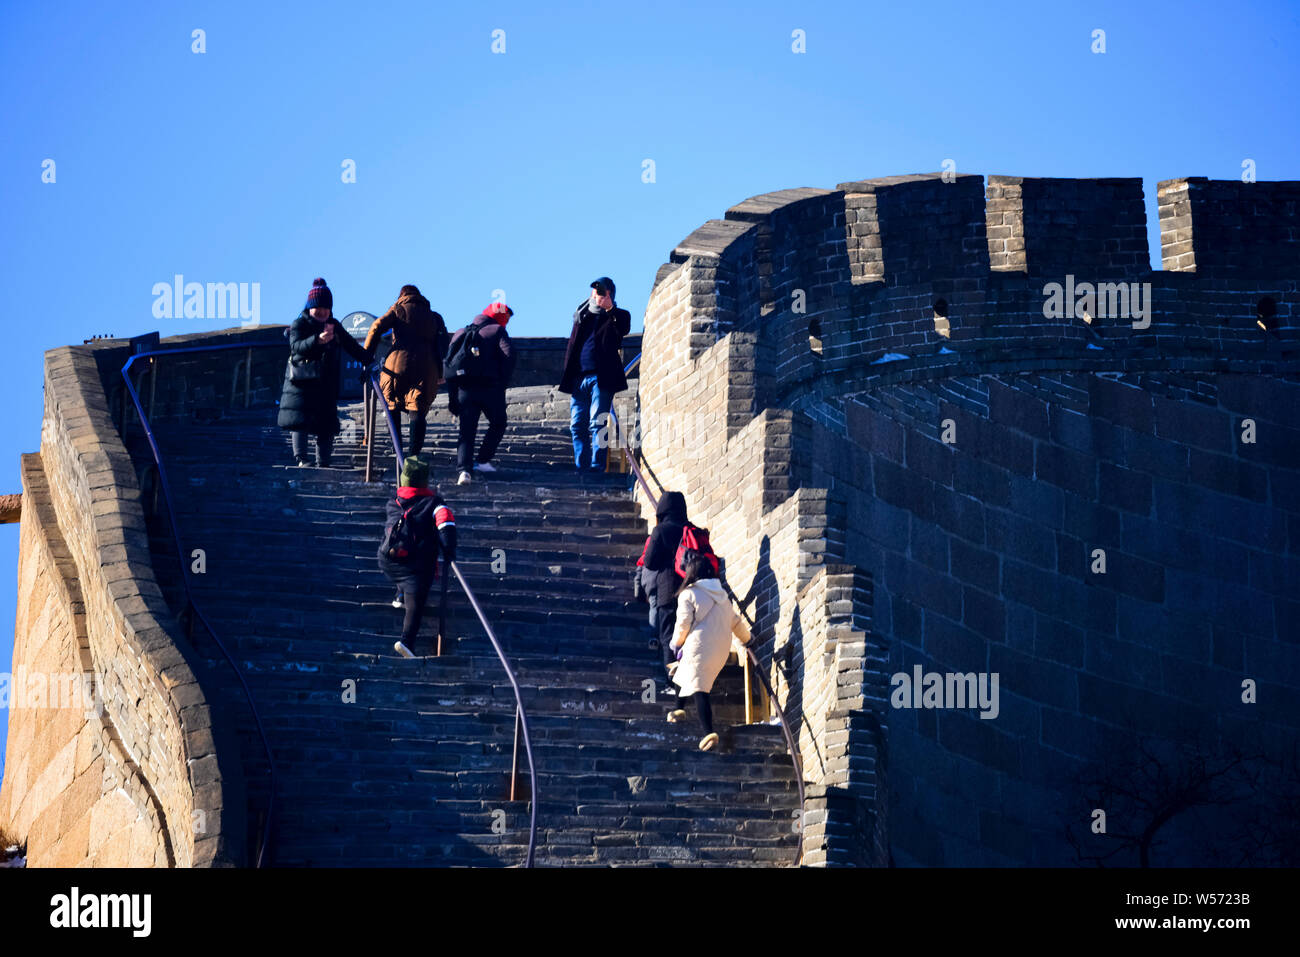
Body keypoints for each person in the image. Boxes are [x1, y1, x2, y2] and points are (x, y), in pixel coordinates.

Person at [278, 278, 372, 467]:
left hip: (325, 383)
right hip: (302, 382)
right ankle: (302, 459)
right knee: (300, 420)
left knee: (326, 424)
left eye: (325, 308)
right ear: (310, 307)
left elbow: (352, 347)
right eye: (317, 307)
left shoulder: (334, 326)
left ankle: (324, 462)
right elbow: (296, 347)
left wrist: (370, 361)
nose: (321, 311)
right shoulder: (299, 324)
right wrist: (317, 340)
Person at [666, 555, 751, 751]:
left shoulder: (689, 594)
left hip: (700, 646)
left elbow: (683, 625)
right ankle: (678, 709)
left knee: (699, 687)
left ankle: (708, 733)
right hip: (720, 649)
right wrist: (748, 640)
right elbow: (735, 622)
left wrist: (675, 644)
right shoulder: (722, 596)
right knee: (684, 671)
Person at [378, 455, 456, 658]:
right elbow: (445, 521)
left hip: (388, 559)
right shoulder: (434, 502)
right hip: (415, 568)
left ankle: (399, 594)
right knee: (416, 604)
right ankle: (407, 642)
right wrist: (448, 548)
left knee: (405, 574)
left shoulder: (394, 501)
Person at [364, 284, 448, 459]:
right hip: (426, 368)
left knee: (392, 405)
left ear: (402, 295)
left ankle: (398, 452)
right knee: (417, 410)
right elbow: (442, 345)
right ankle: (412, 456)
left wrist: (367, 357)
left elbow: (376, 327)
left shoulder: (397, 309)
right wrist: (440, 373)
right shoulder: (434, 317)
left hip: (396, 365)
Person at [559, 277, 632, 472]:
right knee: (576, 425)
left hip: (602, 377)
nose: (596, 294)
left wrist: (610, 309)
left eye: (601, 291)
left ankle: (596, 466)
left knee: (597, 422)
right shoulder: (582, 315)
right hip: (578, 378)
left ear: (610, 294)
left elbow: (623, 328)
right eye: (594, 290)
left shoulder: (618, 316)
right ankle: (580, 467)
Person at [445, 302, 516, 486]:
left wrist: (452, 397)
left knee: (466, 432)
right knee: (499, 422)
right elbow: (509, 356)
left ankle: (464, 471)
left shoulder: (461, 332)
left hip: (464, 390)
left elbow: (449, 365)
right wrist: (501, 383)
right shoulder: (497, 331)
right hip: (489, 388)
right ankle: (483, 460)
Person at [640, 490, 689, 687]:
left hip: (667, 589)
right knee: (689, 634)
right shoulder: (691, 530)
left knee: (668, 634)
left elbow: (650, 562)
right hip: (693, 590)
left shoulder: (661, 531)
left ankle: (673, 680)